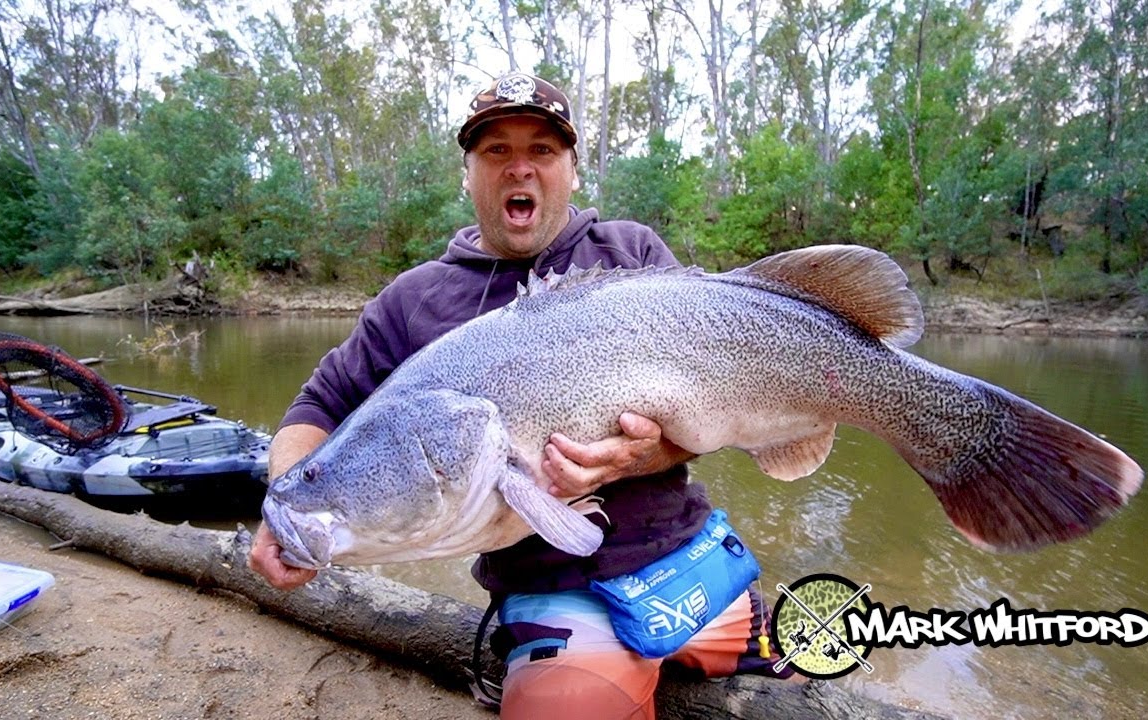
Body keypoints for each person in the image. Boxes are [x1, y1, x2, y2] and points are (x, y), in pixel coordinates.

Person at [249, 72, 789, 719]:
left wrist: (643, 456)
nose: (519, 169)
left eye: (541, 150)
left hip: (688, 561)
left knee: (812, 673)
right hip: (556, 591)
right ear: (469, 173)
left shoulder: (632, 256)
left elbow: (710, 406)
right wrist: (289, 499)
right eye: (496, 151)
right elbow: (316, 411)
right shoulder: (411, 301)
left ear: (571, 169)